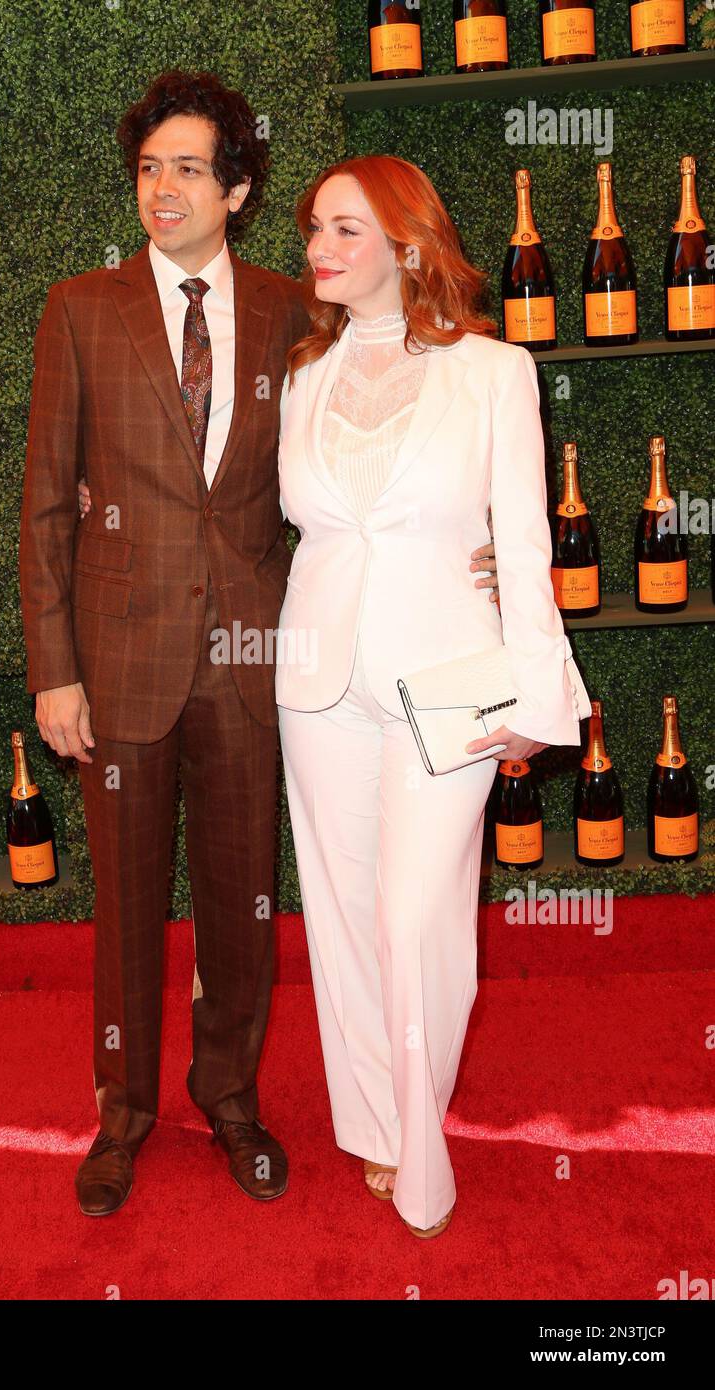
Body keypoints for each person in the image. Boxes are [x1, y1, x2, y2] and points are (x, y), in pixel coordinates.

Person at [40, 71, 500, 1218]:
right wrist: (54, 666)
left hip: (262, 663)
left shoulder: (306, 310)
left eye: (190, 167)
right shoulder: (80, 309)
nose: (165, 188)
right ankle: (122, 1117)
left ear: (238, 189)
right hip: (121, 663)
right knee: (127, 908)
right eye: (150, 166)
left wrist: (478, 548)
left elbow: (415, 398)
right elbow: (48, 503)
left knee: (246, 903)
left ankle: (232, 1102)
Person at [274, 155, 588, 1238]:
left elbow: (526, 546)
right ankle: (373, 1123)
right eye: (315, 227)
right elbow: (316, 534)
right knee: (348, 917)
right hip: (317, 681)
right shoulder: (303, 379)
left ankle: (422, 1139)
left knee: (420, 916)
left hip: (449, 682)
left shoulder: (494, 372)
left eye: (346, 230)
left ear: (407, 244)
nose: (320, 247)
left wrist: (535, 693)